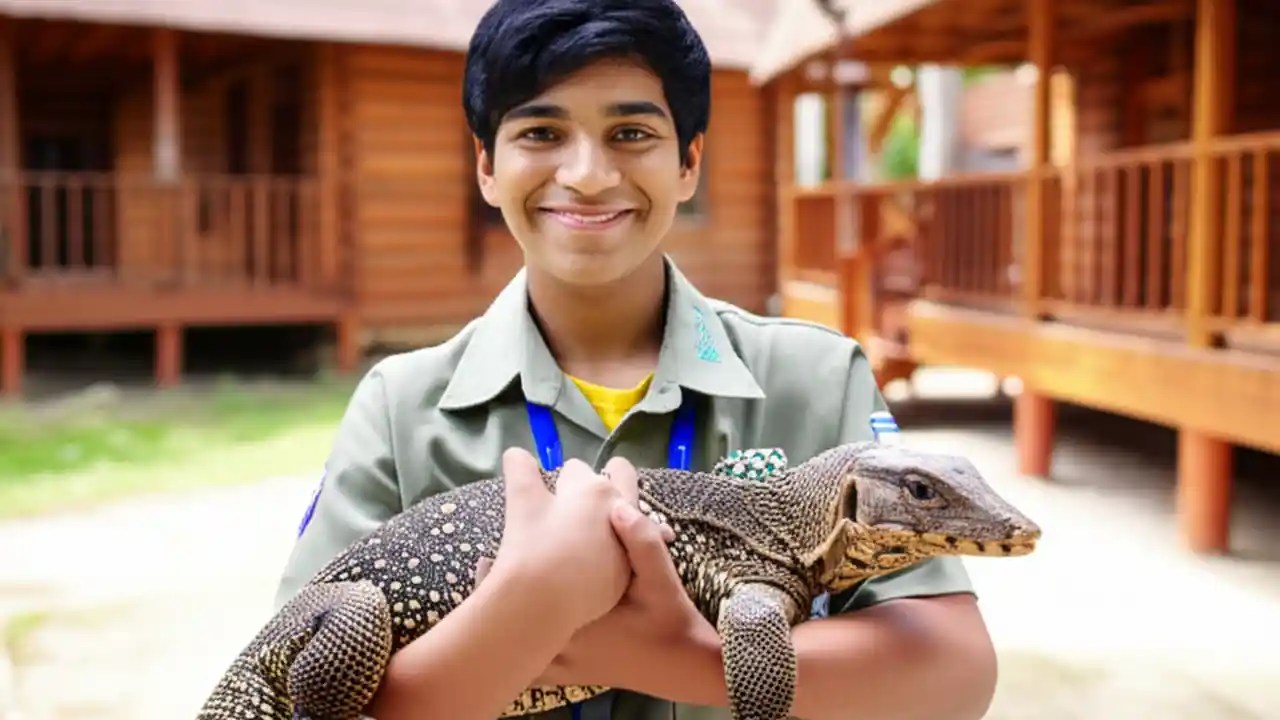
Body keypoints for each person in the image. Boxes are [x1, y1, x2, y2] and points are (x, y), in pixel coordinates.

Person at [270, 0, 999, 718]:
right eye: (542, 131)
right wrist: (531, 607)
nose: (587, 174)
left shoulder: (814, 378)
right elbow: (296, 684)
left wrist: (667, 655)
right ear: (487, 166)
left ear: (688, 162)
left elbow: (955, 676)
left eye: (629, 132)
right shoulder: (401, 405)